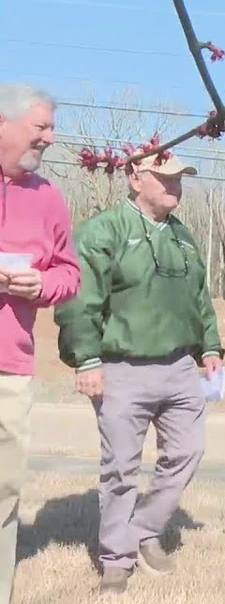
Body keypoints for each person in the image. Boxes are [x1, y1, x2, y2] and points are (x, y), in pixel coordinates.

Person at [54, 153, 222, 595]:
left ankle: (143, 528)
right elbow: (78, 298)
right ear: (135, 178)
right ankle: (115, 559)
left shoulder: (183, 237)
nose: (175, 186)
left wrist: (210, 348)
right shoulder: (103, 230)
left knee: (188, 453)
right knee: (121, 469)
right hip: (122, 367)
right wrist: (86, 359)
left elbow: (200, 299)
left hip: (181, 368)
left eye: (180, 179)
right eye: (165, 178)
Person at [0, 84, 80, 604]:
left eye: (51, 128)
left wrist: (42, 286)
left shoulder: (48, 197)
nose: (50, 139)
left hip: (11, 368)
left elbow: (69, 273)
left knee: (4, 490)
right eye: (41, 127)